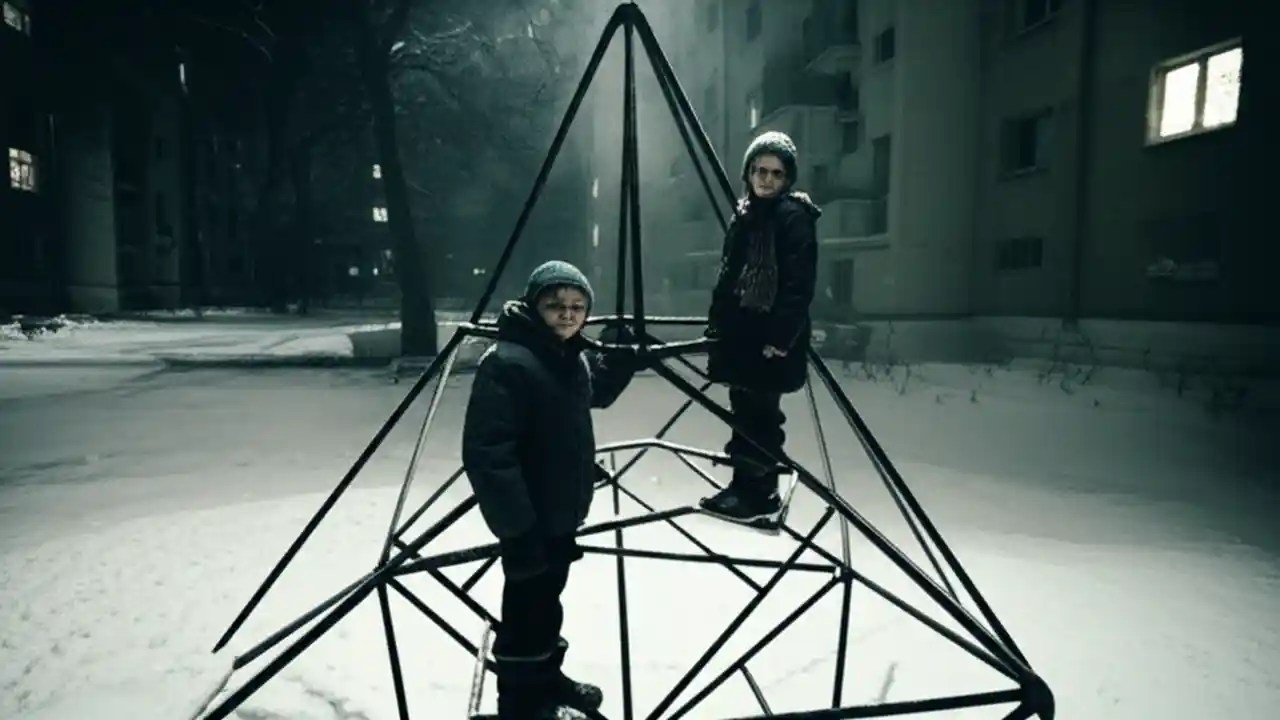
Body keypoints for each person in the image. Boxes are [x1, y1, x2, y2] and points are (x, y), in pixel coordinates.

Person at [462, 260, 637, 720]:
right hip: (529, 521)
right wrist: (518, 531)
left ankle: (547, 679)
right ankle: (520, 704)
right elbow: (488, 454)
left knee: (546, 606)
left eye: (577, 306)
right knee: (525, 614)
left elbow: (592, 392)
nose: (567, 314)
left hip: (559, 513)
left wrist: (622, 361)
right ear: (533, 306)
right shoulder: (509, 362)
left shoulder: (567, 356)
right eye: (555, 305)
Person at [701, 130, 821, 526]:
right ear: (748, 174)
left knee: (761, 417)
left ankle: (759, 493)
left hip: (768, 341)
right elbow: (729, 276)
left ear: (787, 179)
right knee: (744, 412)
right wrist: (718, 326)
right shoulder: (747, 215)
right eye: (759, 171)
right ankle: (744, 487)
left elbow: (798, 285)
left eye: (776, 173)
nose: (766, 180)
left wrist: (779, 338)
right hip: (743, 336)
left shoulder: (791, 217)